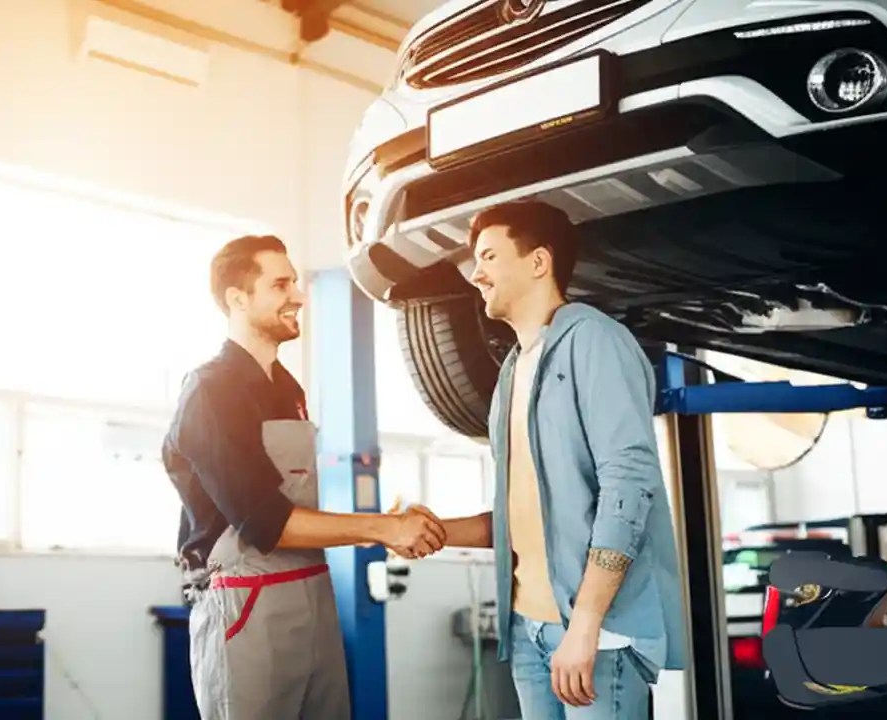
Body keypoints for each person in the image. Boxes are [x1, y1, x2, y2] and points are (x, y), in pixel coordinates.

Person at [161, 233, 446, 720]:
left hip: (311, 588)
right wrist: (382, 529)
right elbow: (265, 522)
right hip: (246, 603)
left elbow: (296, 505)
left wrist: (387, 527)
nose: (298, 295)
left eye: (295, 281)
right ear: (238, 298)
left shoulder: (286, 387)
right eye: (281, 284)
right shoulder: (211, 391)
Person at [434, 201, 687, 718]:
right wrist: (432, 531)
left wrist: (587, 623)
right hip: (529, 629)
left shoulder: (594, 341)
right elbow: (527, 514)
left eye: (488, 256)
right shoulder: (513, 371)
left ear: (538, 262)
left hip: (596, 634)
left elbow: (629, 486)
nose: (476, 274)